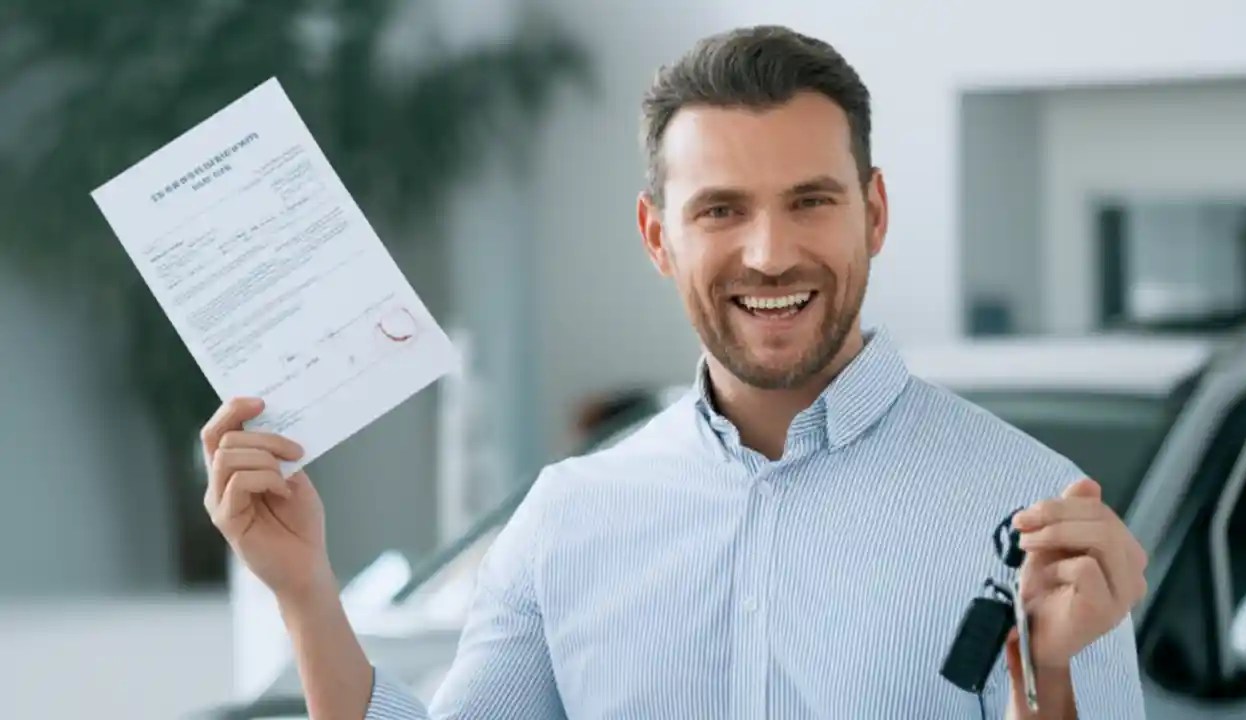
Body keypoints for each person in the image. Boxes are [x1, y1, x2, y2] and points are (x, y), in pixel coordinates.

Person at [201, 25, 1148, 719]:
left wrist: (1053, 687)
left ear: (875, 212)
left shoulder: (1031, 510)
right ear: (659, 235)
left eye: (810, 202)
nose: (770, 254)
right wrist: (304, 591)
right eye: (722, 210)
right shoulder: (566, 520)